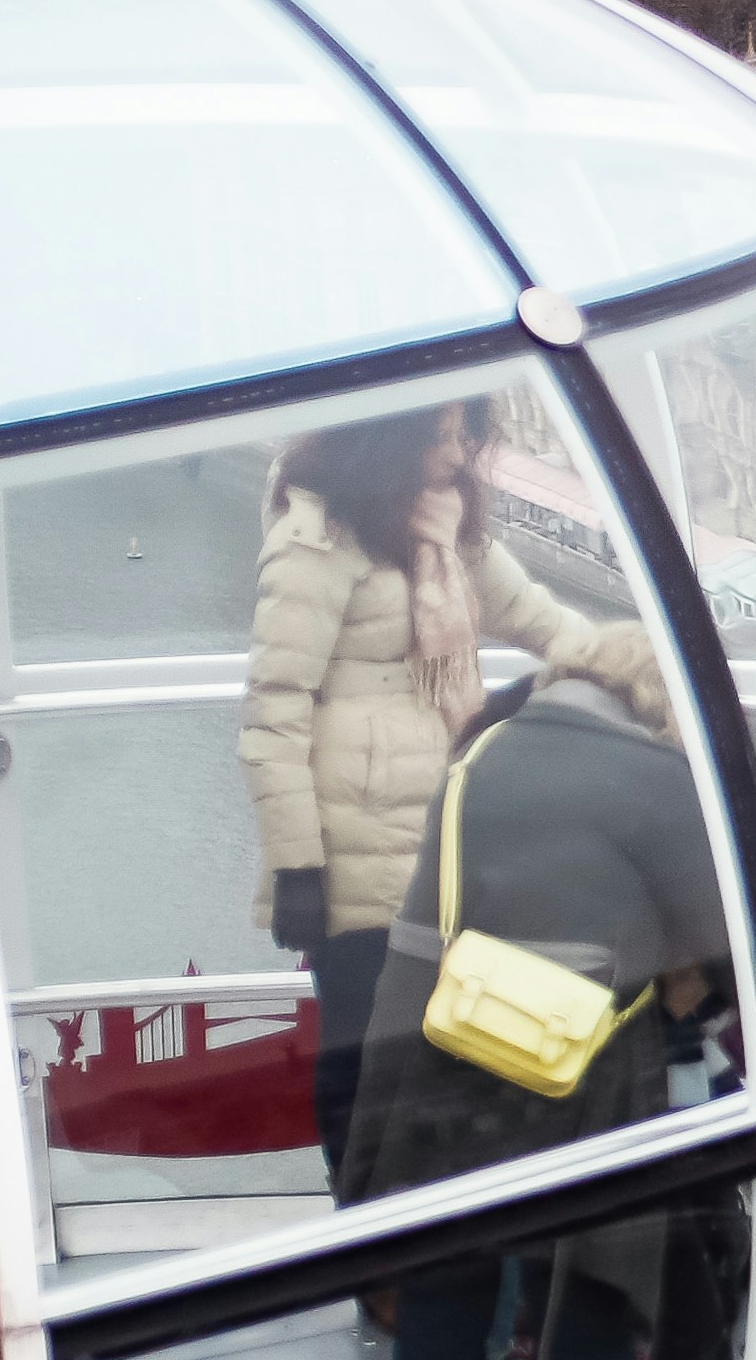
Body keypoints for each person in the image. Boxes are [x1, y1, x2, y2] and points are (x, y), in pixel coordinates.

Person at [357, 672, 738, 1360]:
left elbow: (424, 929)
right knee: (591, 1295)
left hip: (451, 1056)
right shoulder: (655, 776)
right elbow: (726, 937)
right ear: (646, 706)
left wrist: (369, 1141)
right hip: (591, 1071)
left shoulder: (478, 757)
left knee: (444, 1298)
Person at [244, 397, 672, 1175]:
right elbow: (274, 710)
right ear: (387, 437)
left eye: (461, 435)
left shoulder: (445, 529)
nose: (453, 453)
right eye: (437, 436)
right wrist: (296, 866)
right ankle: (365, 1239)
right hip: (355, 843)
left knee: (439, 1041)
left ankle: (423, 1230)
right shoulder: (319, 539)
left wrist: (650, 677)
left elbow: (544, 623)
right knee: (358, 1051)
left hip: (446, 830)